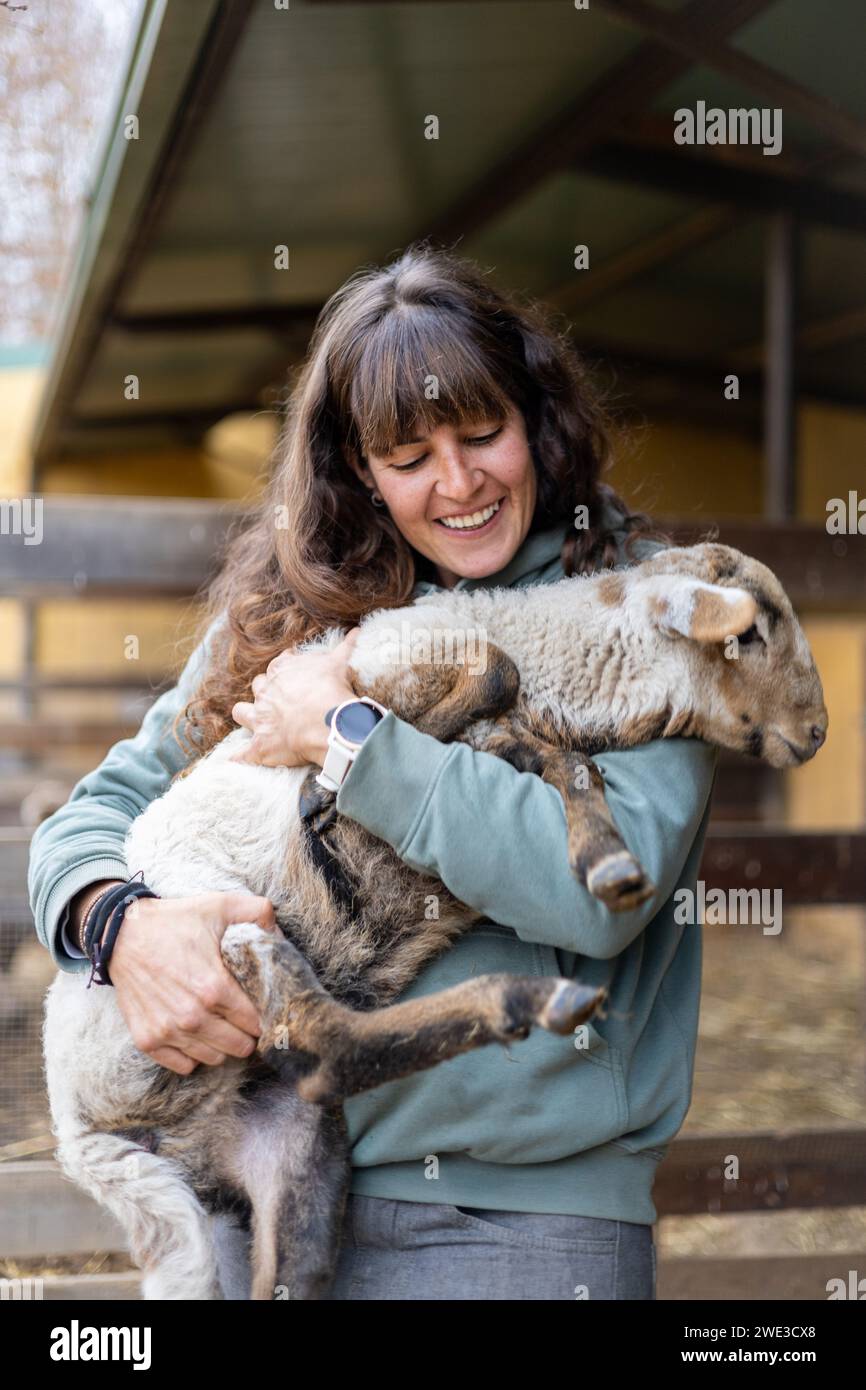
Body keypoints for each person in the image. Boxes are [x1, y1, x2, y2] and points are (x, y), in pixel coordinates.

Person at [28, 242, 717, 1300]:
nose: (457, 482)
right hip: (270, 1186)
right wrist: (114, 924)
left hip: (518, 1222)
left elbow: (598, 898)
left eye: (482, 432)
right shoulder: (287, 610)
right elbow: (99, 809)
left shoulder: (633, 617)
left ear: (537, 417)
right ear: (358, 467)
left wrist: (352, 740)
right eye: (408, 456)